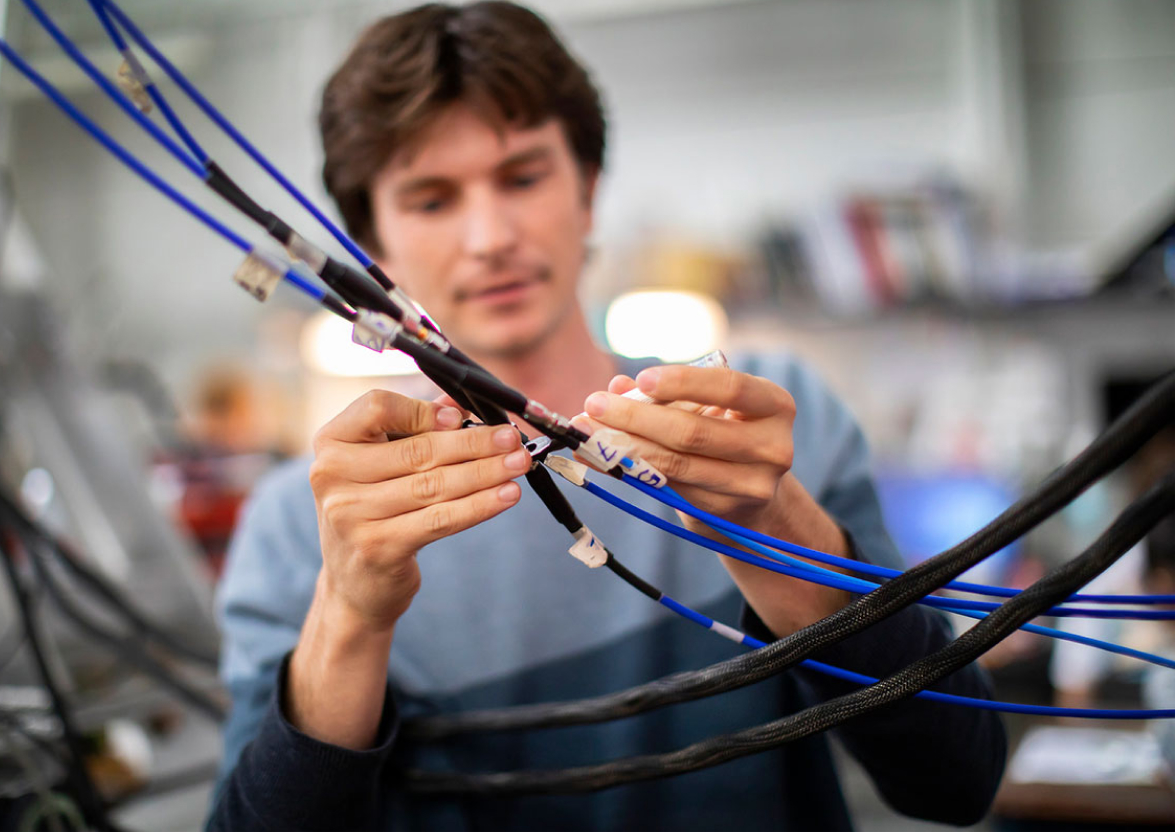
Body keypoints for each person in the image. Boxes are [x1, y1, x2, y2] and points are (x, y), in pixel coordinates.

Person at [206, 3, 1006, 830]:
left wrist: (776, 524)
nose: (491, 236)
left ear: (588, 191)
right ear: (373, 252)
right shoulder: (308, 526)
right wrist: (349, 610)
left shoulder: (764, 432)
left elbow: (956, 782)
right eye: (432, 199)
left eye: (522, 177)